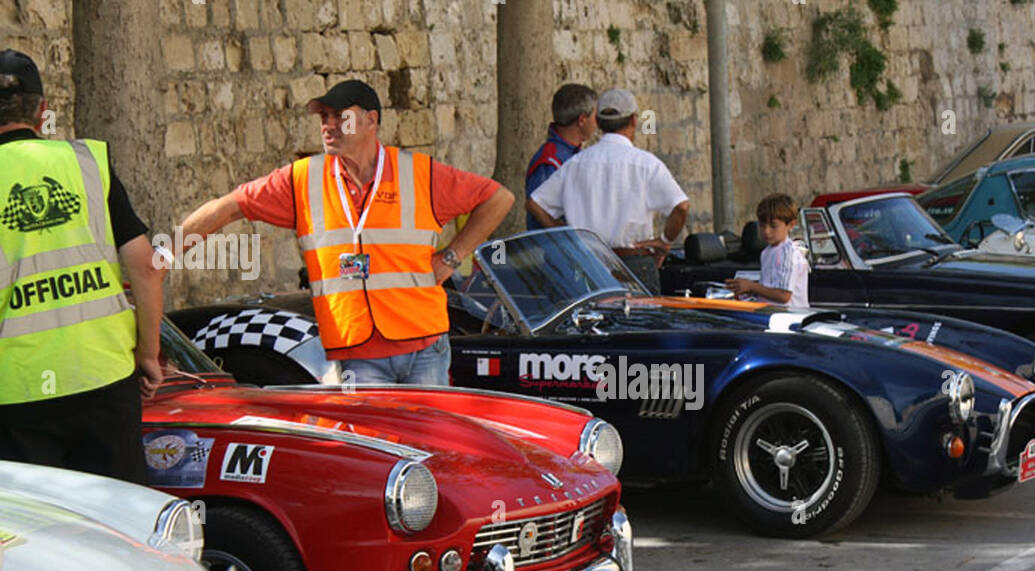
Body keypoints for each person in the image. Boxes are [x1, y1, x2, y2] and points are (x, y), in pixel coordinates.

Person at [178, 79, 513, 386]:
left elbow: (499, 198)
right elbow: (226, 207)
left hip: (424, 347)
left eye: (340, 115)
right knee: (376, 452)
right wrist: (165, 253)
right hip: (359, 353)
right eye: (324, 116)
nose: (328, 124)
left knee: (428, 450)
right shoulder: (302, 180)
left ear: (371, 120)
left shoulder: (419, 173)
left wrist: (452, 257)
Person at [0, 49, 165, 484]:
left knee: (38, 540)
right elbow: (147, 266)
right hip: (105, 381)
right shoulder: (86, 163)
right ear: (43, 110)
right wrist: (148, 353)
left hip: (18, 395)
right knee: (120, 531)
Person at [526, 88, 689, 290]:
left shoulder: (576, 163)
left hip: (587, 263)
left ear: (600, 123)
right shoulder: (646, 164)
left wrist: (567, 236)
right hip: (633, 264)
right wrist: (665, 241)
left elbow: (535, 204)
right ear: (633, 121)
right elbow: (681, 207)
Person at [525, 84, 597, 230]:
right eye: (595, 116)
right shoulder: (551, 161)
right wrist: (570, 235)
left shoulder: (573, 155)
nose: (597, 123)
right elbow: (539, 209)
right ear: (582, 119)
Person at [726, 193, 809, 309]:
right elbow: (768, 288)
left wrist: (751, 286)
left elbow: (784, 295)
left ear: (791, 225)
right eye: (762, 225)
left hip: (789, 318)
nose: (766, 231)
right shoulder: (767, 252)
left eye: (773, 226)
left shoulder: (788, 254)